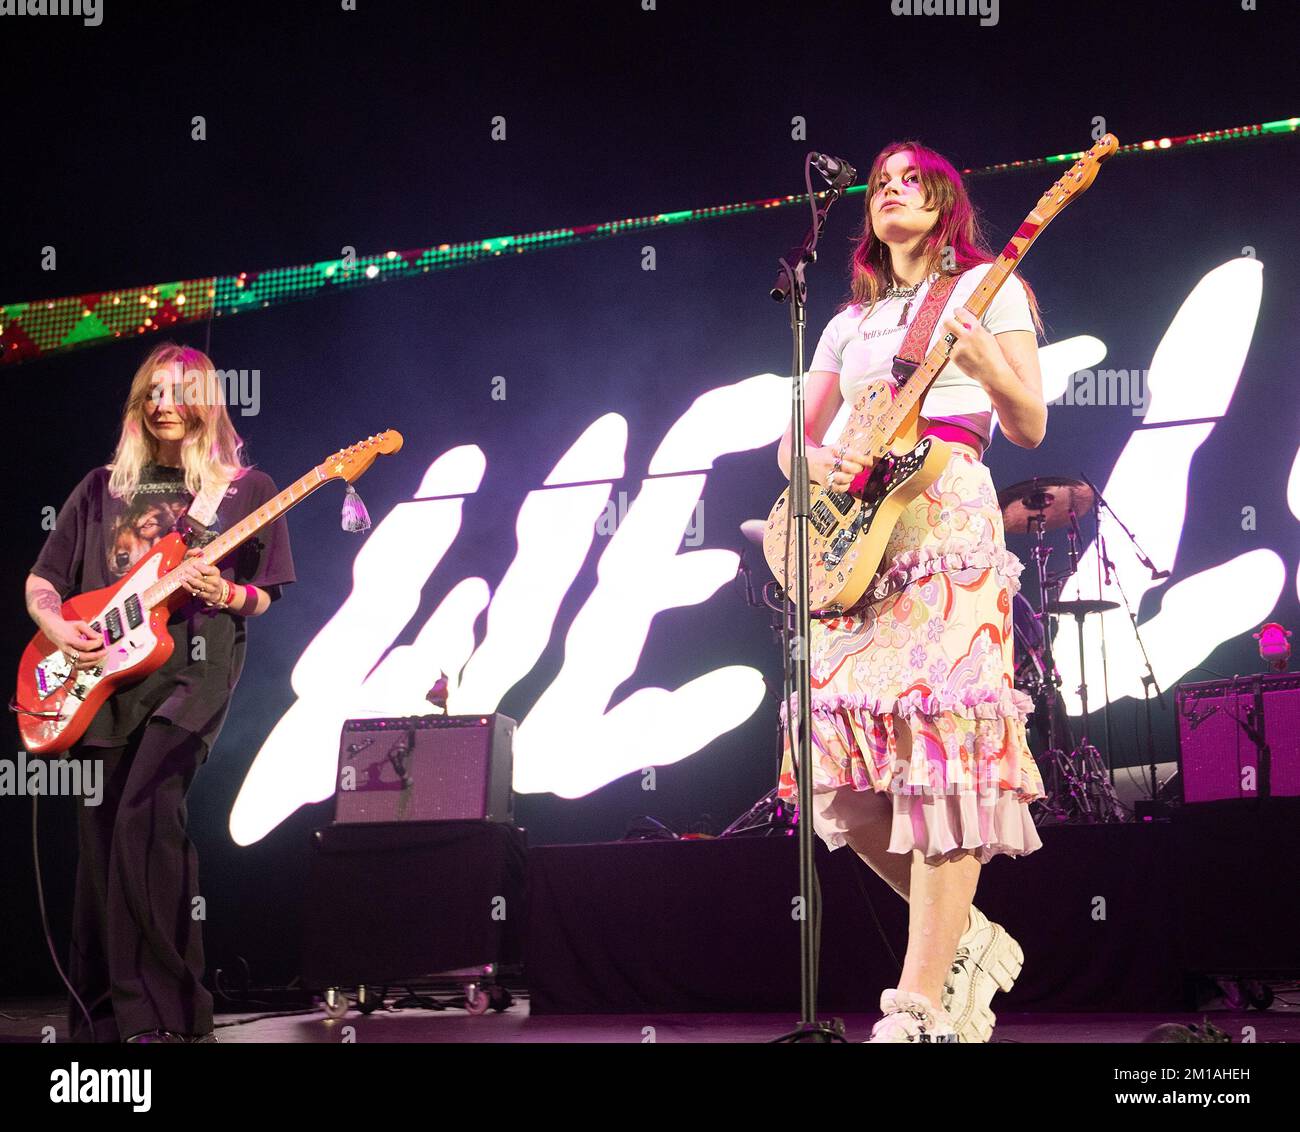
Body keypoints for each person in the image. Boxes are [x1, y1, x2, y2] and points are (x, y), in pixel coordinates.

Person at [775, 140, 1048, 1043]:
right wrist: (820, 460)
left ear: (946, 204)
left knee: (942, 754)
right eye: (880, 183)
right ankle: (967, 939)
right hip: (858, 536)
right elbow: (791, 443)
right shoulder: (847, 324)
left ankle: (920, 1004)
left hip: (947, 521)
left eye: (912, 181)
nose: (892, 191)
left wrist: (990, 361)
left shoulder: (987, 291)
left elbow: (1030, 424)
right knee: (845, 783)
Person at [25, 342, 295, 1043]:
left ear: (207, 400)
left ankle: (164, 1014)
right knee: (102, 840)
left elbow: (264, 598)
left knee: (148, 820)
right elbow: (41, 582)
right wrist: (56, 626)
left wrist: (224, 589)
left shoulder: (244, 490)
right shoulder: (101, 488)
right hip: (100, 681)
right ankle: (100, 1018)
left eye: (179, 391)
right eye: (152, 392)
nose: (164, 404)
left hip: (191, 676)